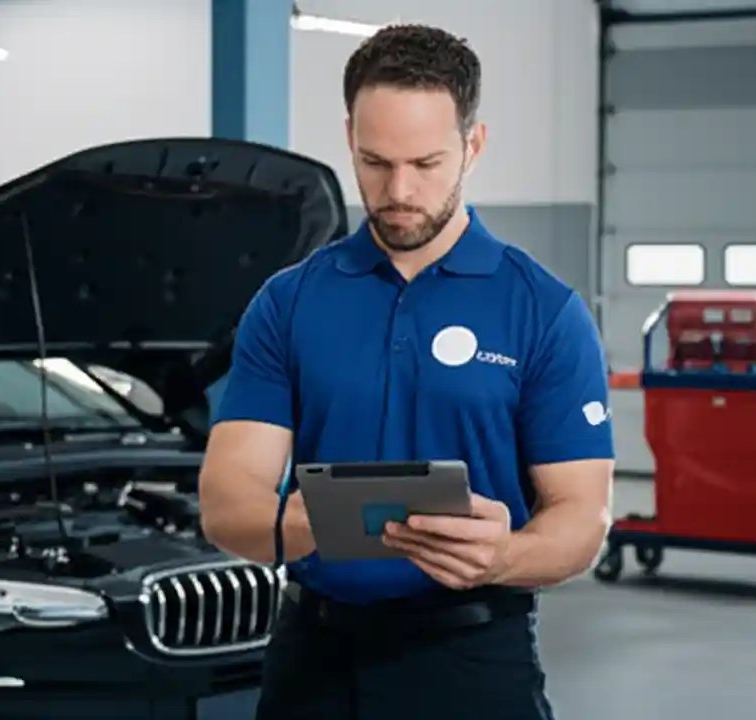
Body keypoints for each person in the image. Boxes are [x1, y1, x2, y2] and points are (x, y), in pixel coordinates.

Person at [198, 23, 615, 720]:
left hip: (473, 661)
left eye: (425, 163)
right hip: (313, 660)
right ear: (349, 137)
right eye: (374, 162)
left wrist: (504, 556)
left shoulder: (543, 310)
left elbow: (583, 517)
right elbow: (226, 501)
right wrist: (311, 525)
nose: (398, 190)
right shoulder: (289, 301)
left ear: (473, 146)